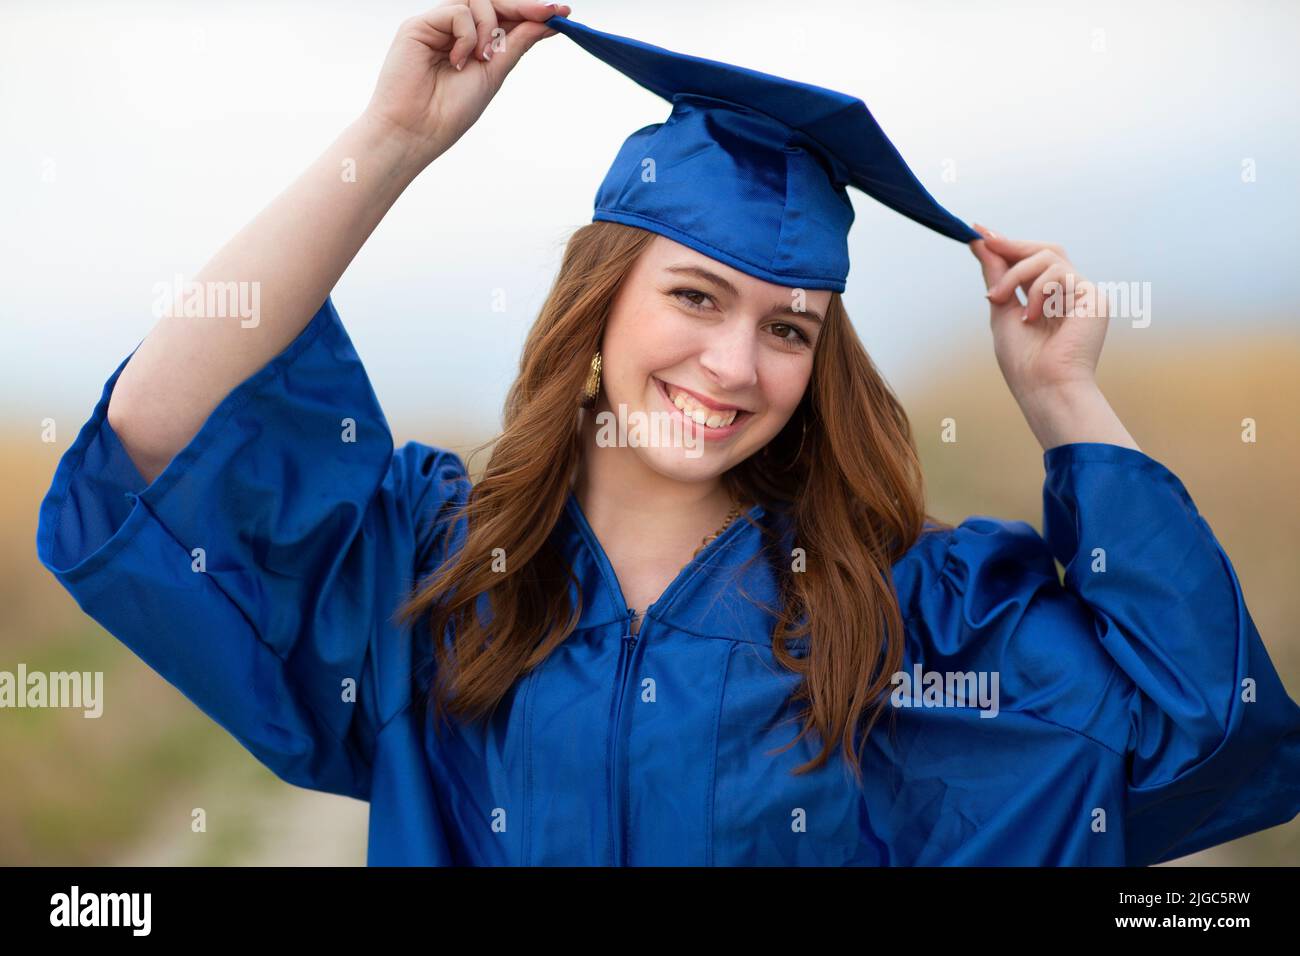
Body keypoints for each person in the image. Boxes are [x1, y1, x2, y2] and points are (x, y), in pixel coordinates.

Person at [35, 4, 1300, 866]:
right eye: (695, 297)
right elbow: (154, 440)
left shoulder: (905, 608)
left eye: (789, 329)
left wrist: (1065, 399)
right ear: (600, 306)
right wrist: (392, 142)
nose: (734, 364)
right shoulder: (432, 571)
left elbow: (1199, 723)